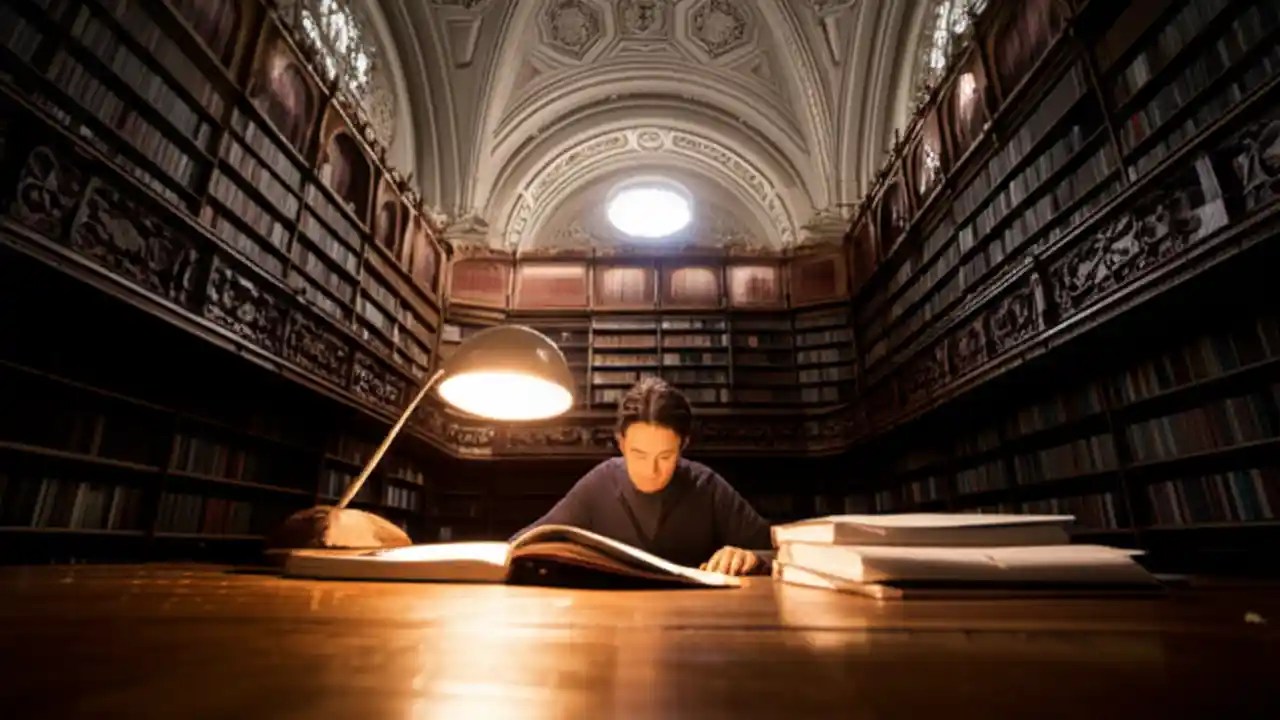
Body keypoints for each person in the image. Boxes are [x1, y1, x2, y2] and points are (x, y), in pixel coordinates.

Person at [514, 377, 773, 576]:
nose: (651, 471)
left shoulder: (706, 486)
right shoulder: (599, 484)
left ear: (683, 446)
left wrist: (751, 558)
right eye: (639, 455)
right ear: (621, 443)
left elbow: (781, 554)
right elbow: (526, 543)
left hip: (691, 628)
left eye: (665, 457)